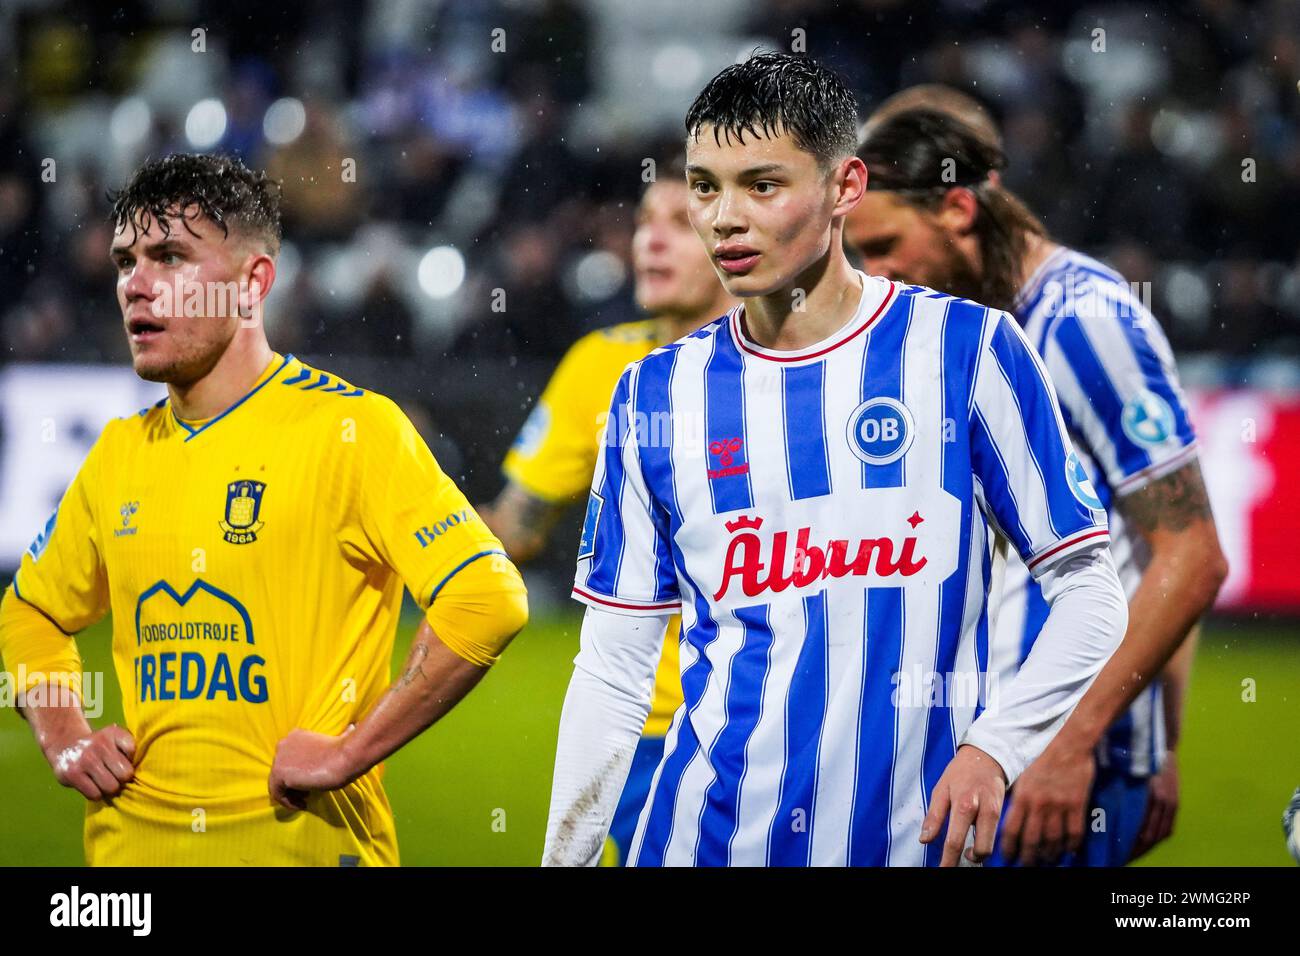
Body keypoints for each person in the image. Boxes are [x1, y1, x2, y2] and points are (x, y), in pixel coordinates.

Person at [542, 52, 1128, 868]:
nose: (723, 218)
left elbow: (1090, 593)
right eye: (705, 186)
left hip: (908, 846)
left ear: (846, 187)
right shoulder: (655, 393)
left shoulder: (971, 352)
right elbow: (613, 667)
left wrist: (997, 748)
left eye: (763, 185)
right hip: (696, 843)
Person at [0, 153, 529, 866]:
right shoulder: (118, 453)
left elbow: (486, 597)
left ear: (253, 284)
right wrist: (64, 734)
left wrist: (351, 751)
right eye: (126, 262)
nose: (138, 286)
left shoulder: (352, 431)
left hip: (301, 849)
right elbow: (29, 610)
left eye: (171, 257)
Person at [849, 101, 1228, 865]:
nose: (875, 277)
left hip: (1052, 760)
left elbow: (1190, 553)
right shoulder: (977, 326)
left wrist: (1075, 742)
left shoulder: (1084, 321)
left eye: (885, 247)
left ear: (958, 208)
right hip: (985, 747)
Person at [481, 156, 735, 865]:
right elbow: (513, 529)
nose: (649, 242)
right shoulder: (600, 365)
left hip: (774, 721)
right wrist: (401, 507)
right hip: (650, 732)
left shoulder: (801, 368)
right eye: (644, 224)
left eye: (679, 226)